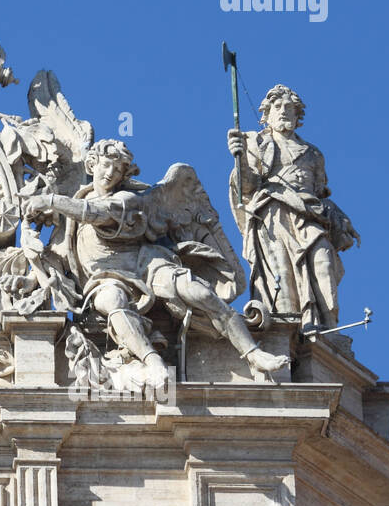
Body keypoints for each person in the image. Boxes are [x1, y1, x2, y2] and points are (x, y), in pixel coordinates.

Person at [29, 139, 289, 389]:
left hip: (146, 264)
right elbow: (57, 255)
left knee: (197, 291)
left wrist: (50, 201)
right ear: (91, 164)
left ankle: (253, 353)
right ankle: (153, 362)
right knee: (112, 302)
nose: (109, 173)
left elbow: (96, 213)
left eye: (117, 169)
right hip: (104, 279)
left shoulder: (127, 201)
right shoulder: (70, 219)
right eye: (105, 165)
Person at [227, 84, 359, 332]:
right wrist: (240, 158)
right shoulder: (257, 144)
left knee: (324, 262)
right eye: (277, 107)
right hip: (273, 217)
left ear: (299, 116)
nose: (284, 111)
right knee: (282, 275)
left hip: (309, 216)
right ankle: (288, 334)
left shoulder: (313, 154)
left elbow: (320, 195)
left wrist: (338, 217)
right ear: (266, 114)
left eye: (290, 107)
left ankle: (328, 331)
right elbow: (247, 187)